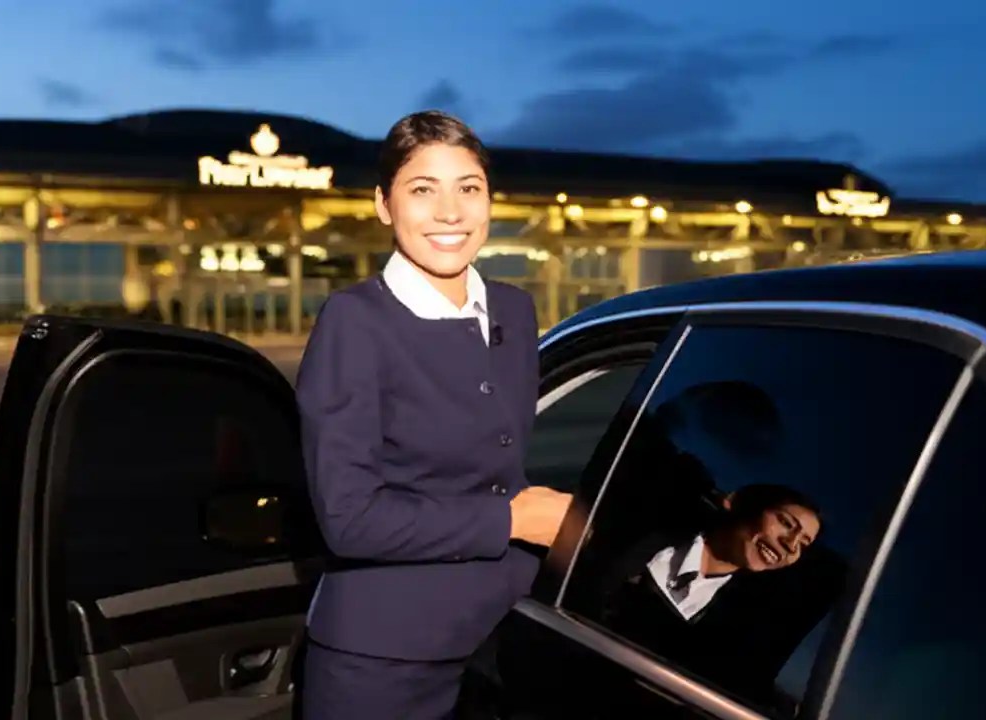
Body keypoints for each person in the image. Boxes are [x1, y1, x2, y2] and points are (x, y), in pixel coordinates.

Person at [294, 110, 571, 719]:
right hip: (382, 663)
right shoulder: (355, 321)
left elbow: (498, 461)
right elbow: (348, 519)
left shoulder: (514, 310)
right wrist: (512, 519)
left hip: (499, 642)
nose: (450, 212)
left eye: (468, 188)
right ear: (383, 204)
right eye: (423, 189)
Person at [598, 483, 843, 710]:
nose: (791, 545)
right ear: (737, 503)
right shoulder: (646, 532)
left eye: (803, 544)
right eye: (786, 523)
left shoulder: (738, 624)